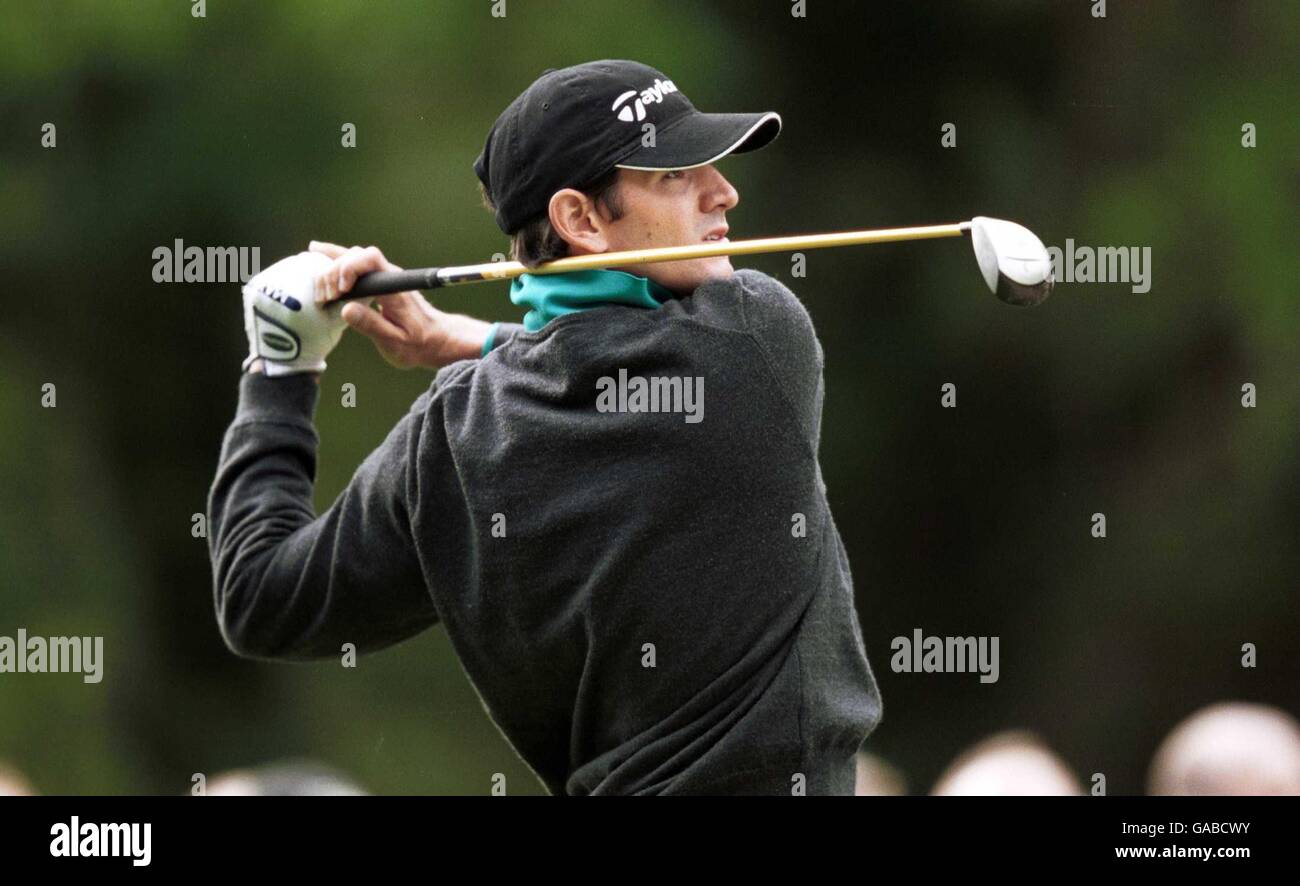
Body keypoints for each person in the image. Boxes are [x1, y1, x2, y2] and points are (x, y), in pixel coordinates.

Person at [209, 59, 881, 795]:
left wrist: (280, 368)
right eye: (672, 174)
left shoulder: (456, 432)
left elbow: (260, 598)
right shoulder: (757, 333)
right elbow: (612, 359)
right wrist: (478, 340)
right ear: (580, 220)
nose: (724, 191)